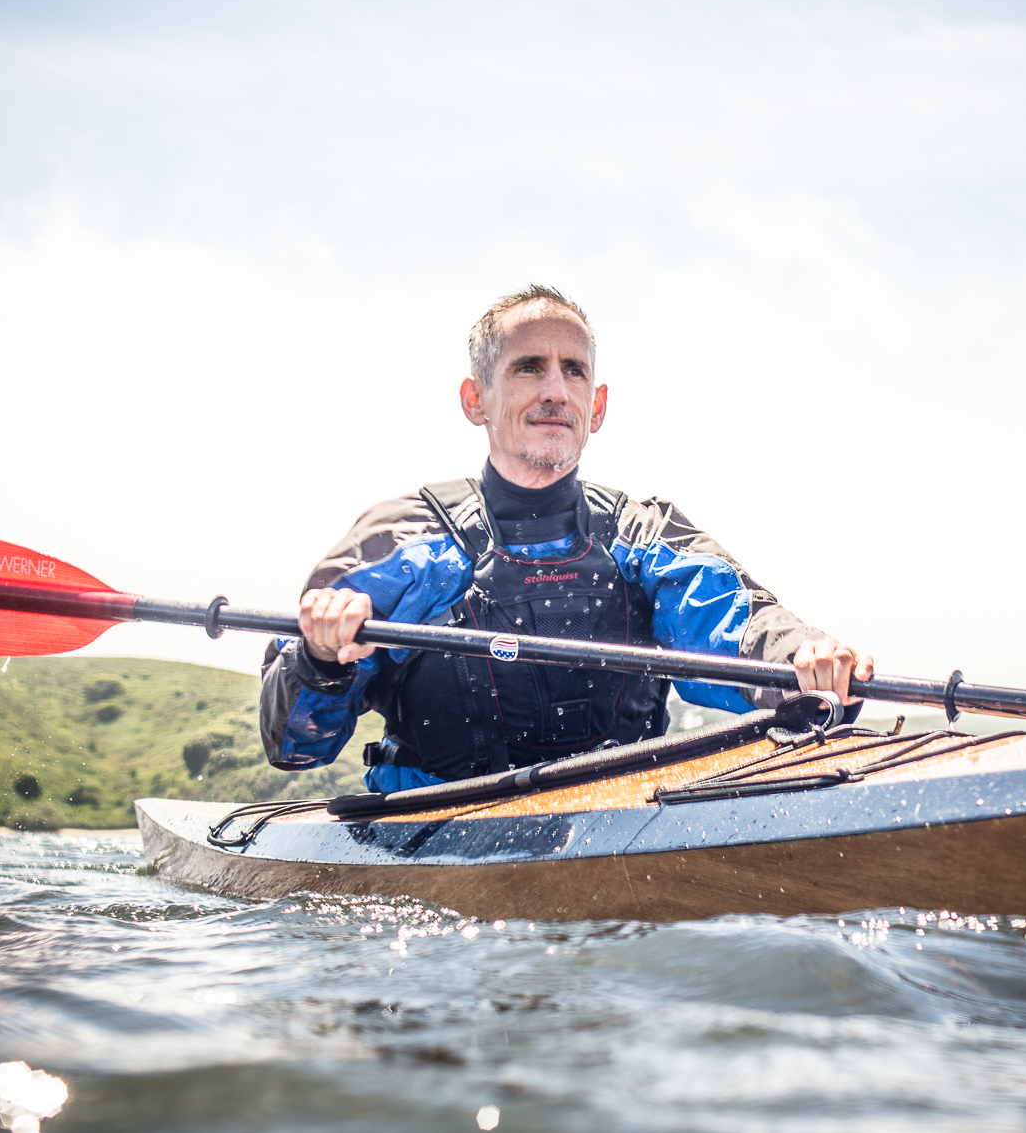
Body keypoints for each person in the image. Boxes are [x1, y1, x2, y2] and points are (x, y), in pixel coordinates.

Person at [260, 285, 873, 790]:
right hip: (428, 854)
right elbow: (291, 747)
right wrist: (320, 657)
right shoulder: (402, 541)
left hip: (616, 830)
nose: (555, 390)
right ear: (476, 400)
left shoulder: (642, 533)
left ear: (596, 406)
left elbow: (732, 619)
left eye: (572, 371)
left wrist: (803, 657)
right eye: (529, 367)